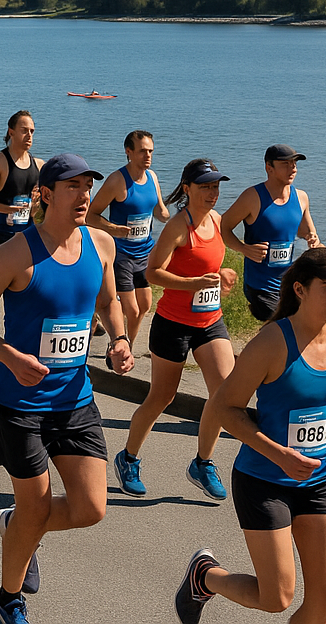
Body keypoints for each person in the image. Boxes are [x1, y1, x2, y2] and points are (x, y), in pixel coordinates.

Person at [0, 153, 133, 624]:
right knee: (34, 503)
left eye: (87, 186)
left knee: (92, 507)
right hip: (19, 403)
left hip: (75, 399)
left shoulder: (101, 245)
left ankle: (18, 528)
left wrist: (119, 339)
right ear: (46, 194)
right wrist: (8, 355)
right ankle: (8, 601)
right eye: (72, 187)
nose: (84, 195)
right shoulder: (15, 253)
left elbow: (110, 301)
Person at [174, 247, 326, 624]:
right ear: (300, 290)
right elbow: (225, 409)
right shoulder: (271, 342)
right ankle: (204, 576)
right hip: (264, 480)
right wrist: (281, 455)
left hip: (319, 479)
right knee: (276, 598)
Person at [114, 159, 238, 502]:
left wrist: (224, 274)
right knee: (161, 397)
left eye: (216, 186)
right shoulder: (178, 227)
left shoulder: (217, 221)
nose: (212, 193)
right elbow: (152, 273)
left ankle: (203, 463)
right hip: (174, 324)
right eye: (205, 186)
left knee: (224, 394)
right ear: (187, 188)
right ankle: (129, 458)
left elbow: (211, 266)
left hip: (210, 321)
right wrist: (194, 283)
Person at [86, 130, 171, 349]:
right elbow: (91, 215)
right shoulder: (117, 180)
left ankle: (127, 346)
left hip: (145, 252)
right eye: (142, 151)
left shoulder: (152, 177)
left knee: (144, 305)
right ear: (129, 152)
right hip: (121, 253)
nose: (148, 156)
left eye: (151, 151)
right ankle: (118, 346)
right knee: (131, 309)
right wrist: (114, 229)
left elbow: (161, 211)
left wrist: (181, 216)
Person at [220, 144, 320, 323]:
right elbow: (223, 226)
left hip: (291, 284)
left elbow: (308, 233)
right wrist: (243, 248)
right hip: (260, 286)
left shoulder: (301, 197)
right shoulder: (252, 197)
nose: (293, 169)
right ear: (269, 168)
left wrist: (313, 239)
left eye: (295, 164)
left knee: (304, 326)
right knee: (285, 327)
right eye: (286, 164)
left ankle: (259, 349)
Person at [0, 111, 45, 263]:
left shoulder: (39, 165)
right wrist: (7, 209)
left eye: (32, 131)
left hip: (26, 235)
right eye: (24, 130)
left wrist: (36, 207)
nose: (29, 135)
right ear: (11, 132)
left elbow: (44, 201)